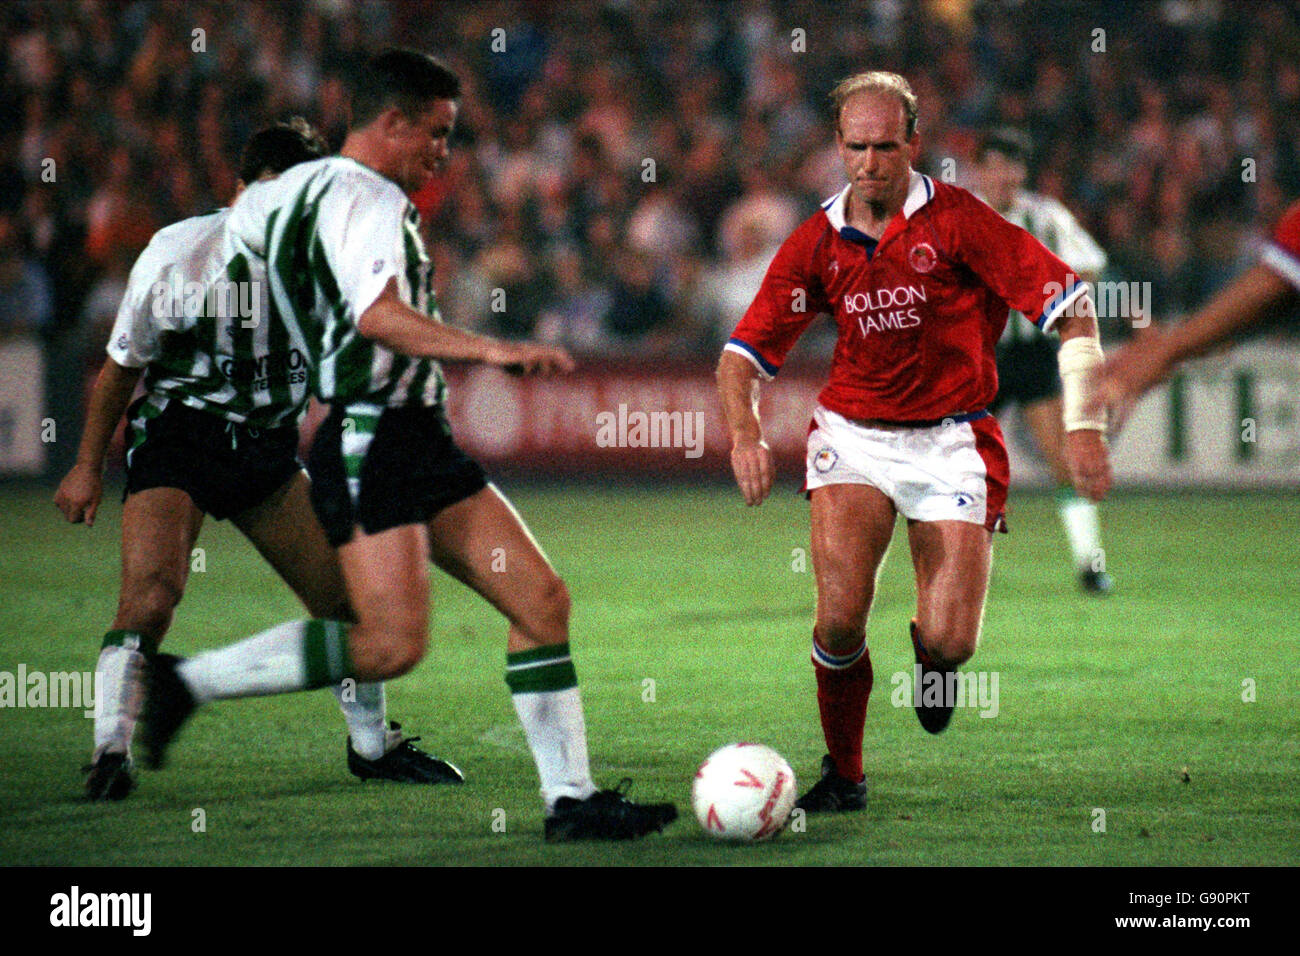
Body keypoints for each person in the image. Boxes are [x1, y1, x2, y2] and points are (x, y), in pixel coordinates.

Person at [139, 49, 677, 842]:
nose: (444, 152)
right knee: (388, 645)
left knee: (541, 600)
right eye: (436, 132)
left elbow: (227, 249)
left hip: (414, 435)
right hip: (369, 434)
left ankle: (572, 801)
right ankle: (185, 682)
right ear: (388, 122)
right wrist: (491, 350)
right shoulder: (370, 200)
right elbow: (377, 316)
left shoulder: (276, 196)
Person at [716, 72, 1111, 814]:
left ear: (915, 144)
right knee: (837, 618)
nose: (870, 163)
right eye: (856, 147)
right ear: (838, 146)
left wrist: (1084, 423)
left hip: (953, 440)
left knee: (953, 641)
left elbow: (1074, 308)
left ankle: (932, 654)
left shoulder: (962, 222)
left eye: (886, 147)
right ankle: (845, 773)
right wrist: (743, 433)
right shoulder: (816, 242)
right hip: (853, 439)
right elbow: (742, 356)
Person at [55, 119, 459, 801]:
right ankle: (109, 752)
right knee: (152, 597)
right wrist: (87, 463)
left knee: (346, 604)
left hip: (268, 451)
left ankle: (372, 749)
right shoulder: (178, 253)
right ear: (237, 190)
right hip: (181, 438)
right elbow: (123, 368)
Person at [975, 129, 1114, 593]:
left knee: (1061, 460)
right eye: (995, 166)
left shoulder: (1047, 217)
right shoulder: (961, 217)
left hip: (1033, 355)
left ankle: (1090, 566)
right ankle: (956, 562)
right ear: (980, 170)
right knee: (956, 461)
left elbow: (1090, 264)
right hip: (978, 355)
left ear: (1023, 172)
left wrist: (1057, 298)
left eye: (1012, 167)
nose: (1004, 177)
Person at [1092, 201, 1300, 414]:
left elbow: (1274, 280)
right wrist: (1164, 347)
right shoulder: (1134, 266)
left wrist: (1162, 351)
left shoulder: (1195, 273)